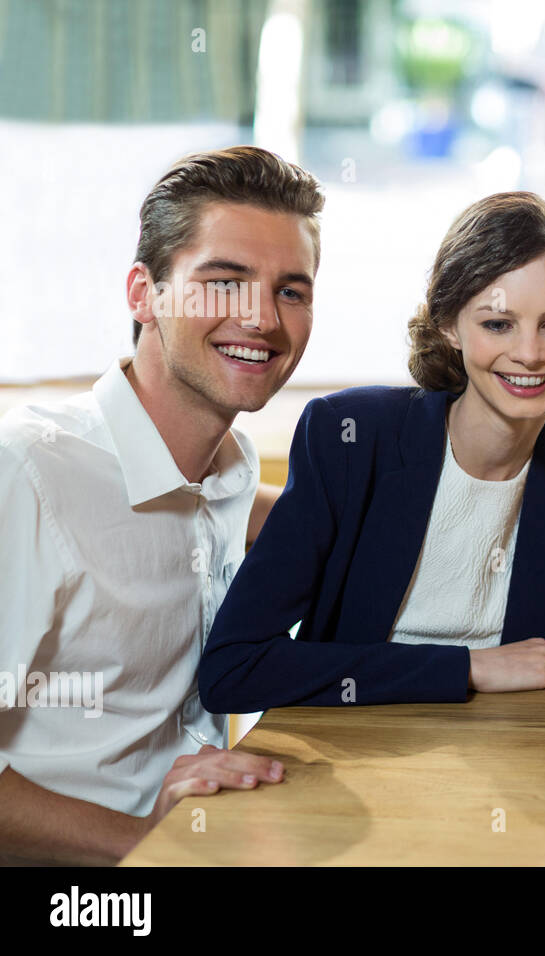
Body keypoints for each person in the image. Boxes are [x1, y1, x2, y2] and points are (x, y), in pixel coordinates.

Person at [0, 146, 321, 863]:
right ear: (144, 294)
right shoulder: (27, 472)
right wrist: (150, 845)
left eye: (291, 291)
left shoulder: (232, 483)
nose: (264, 319)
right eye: (225, 282)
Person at [199, 192, 545, 711]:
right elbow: (234, 669)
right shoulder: (350, 436)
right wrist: (466, 668)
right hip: (352, 756)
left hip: (520, 761)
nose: (530, 353)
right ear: (449, 325)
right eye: (498, 324)